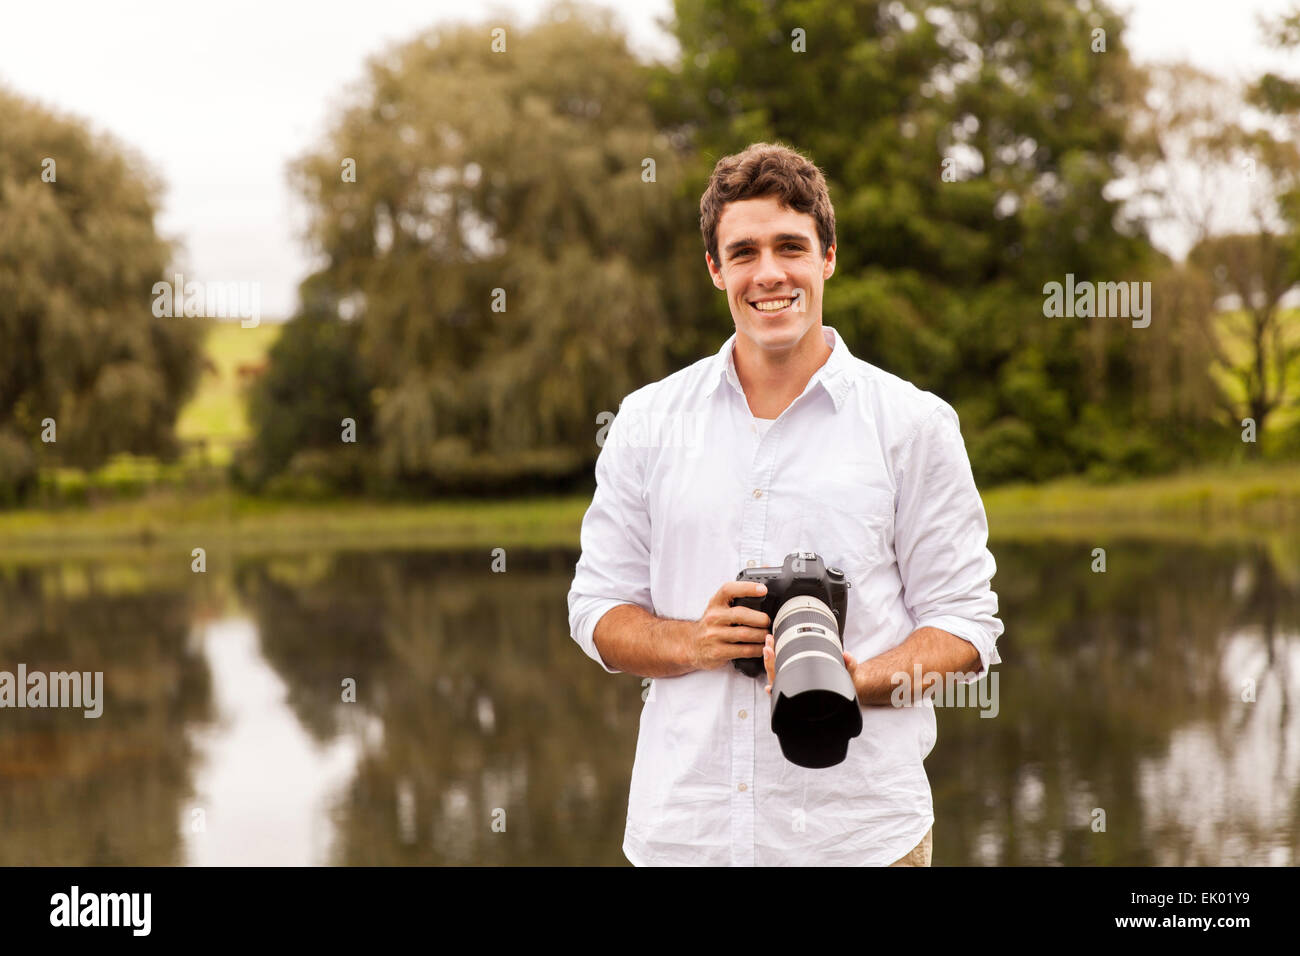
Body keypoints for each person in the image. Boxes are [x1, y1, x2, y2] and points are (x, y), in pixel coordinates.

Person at [567, 141, 1003, 866]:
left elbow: (966, 626)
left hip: (861, 843)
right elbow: (596, 610)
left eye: (790, 247)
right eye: (743, 252)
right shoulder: (646, 422)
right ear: (716, 269)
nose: (768, 273)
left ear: (827, 256)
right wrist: (695, 642)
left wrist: (853, 680)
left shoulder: (914, 424)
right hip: (686, 841)